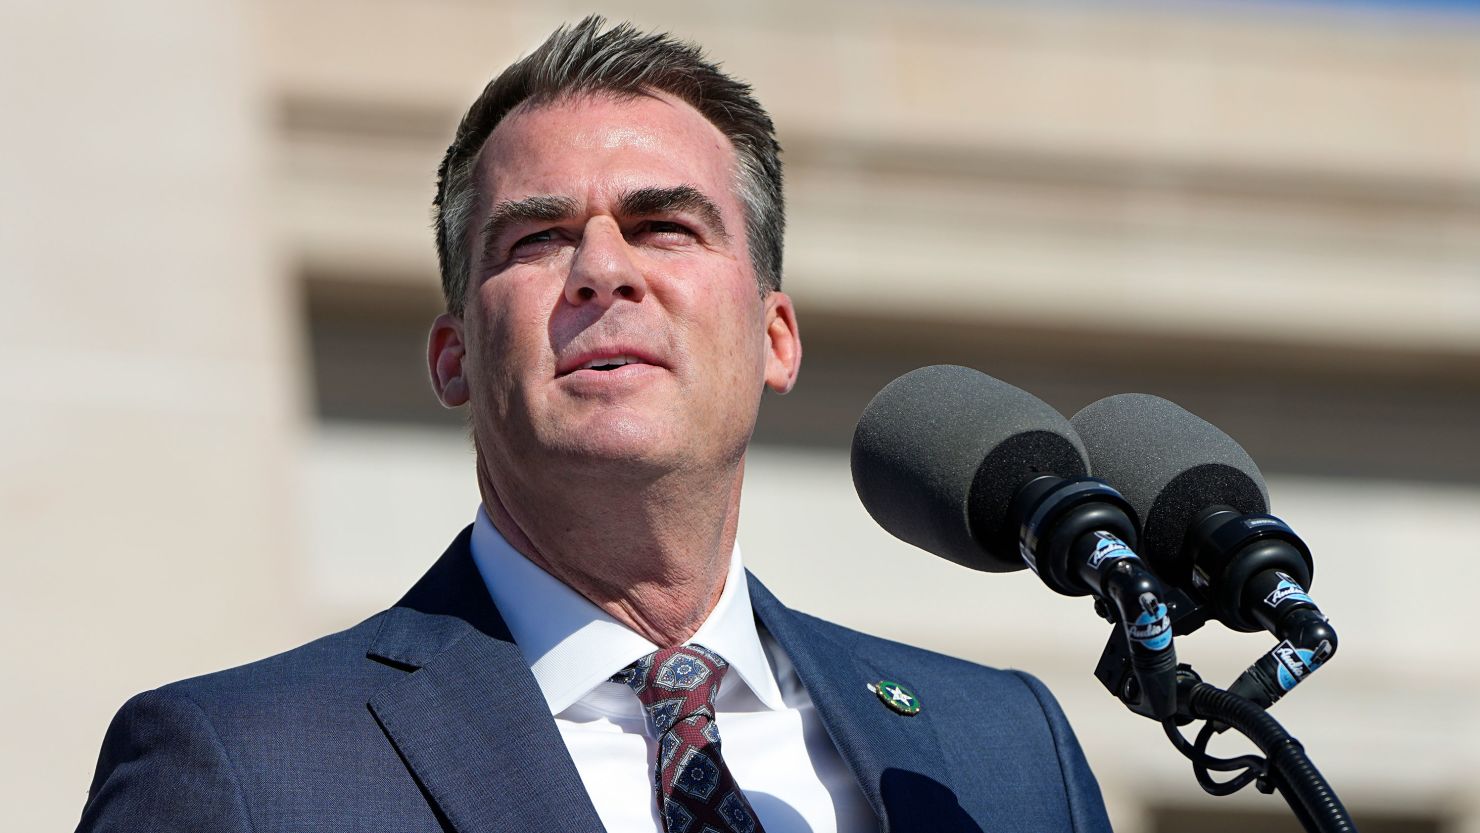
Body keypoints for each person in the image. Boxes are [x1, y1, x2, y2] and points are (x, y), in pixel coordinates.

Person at [78, 17, 1111, 833]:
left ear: (775, 337)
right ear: (454, 360)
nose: (605, 269)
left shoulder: (1003, 752)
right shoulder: (238, 764)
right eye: (537, 237)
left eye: (665, 225)